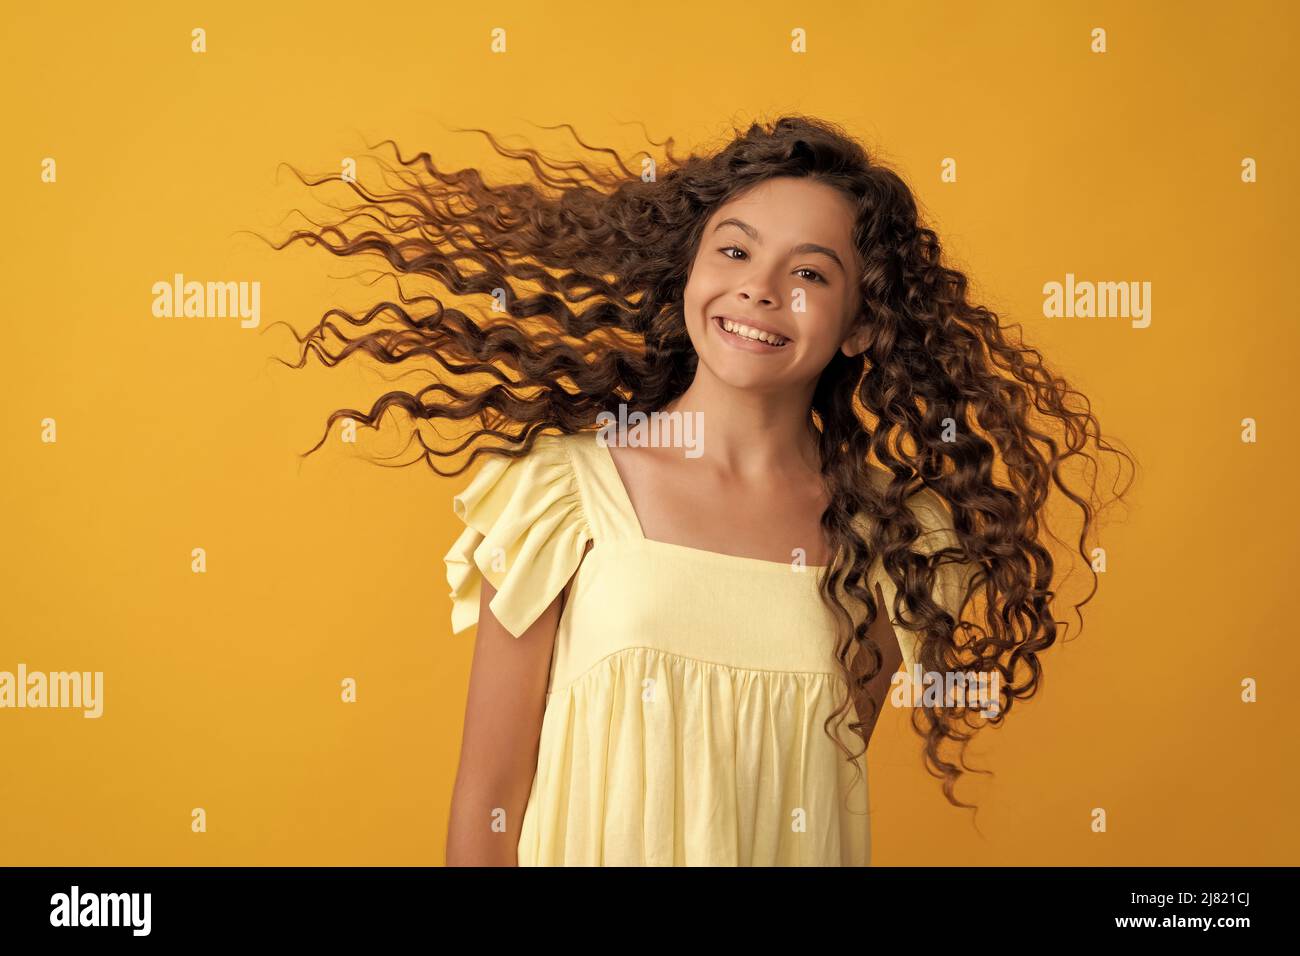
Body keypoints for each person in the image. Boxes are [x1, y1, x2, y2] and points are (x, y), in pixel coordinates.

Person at [269, 115, 1134, 866]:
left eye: (812, 273)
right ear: (691, 269)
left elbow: (806, 804)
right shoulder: (564, 497)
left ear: (861, 324)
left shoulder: (893, 540)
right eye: (735, 249)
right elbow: (487, 800)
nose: (761, 287)